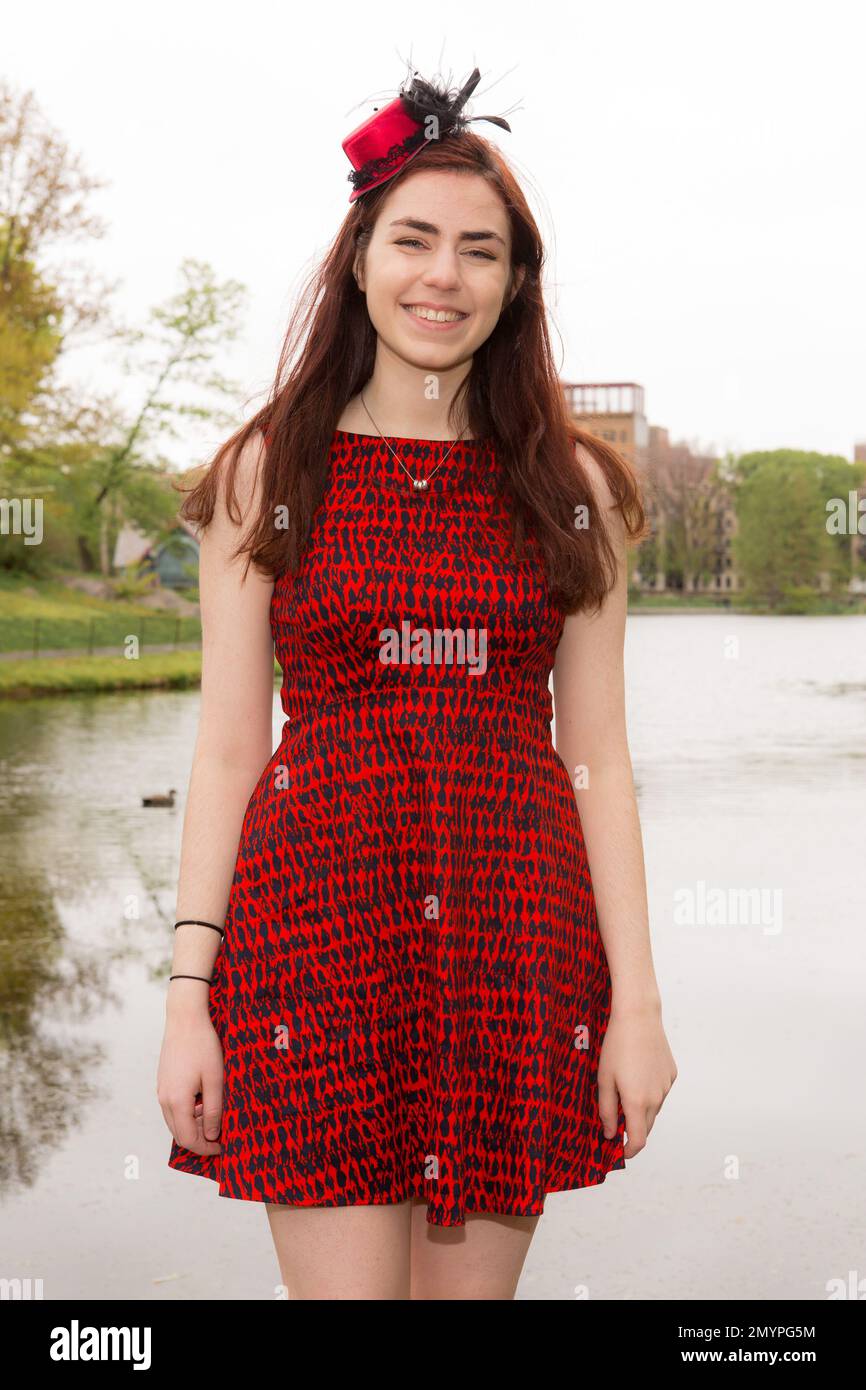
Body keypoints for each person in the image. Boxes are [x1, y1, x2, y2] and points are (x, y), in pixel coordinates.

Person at [157, 64, 677, 1301]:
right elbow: (229, 748)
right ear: (358, 259)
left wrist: (638, 1006)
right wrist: (189, 995)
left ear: (512, 283)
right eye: (415, 240)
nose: (444, 275)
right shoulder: (262, 472)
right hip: (315, 938)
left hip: (516, 937)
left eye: (480, 251)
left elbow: (597, 756)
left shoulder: (573, 489)